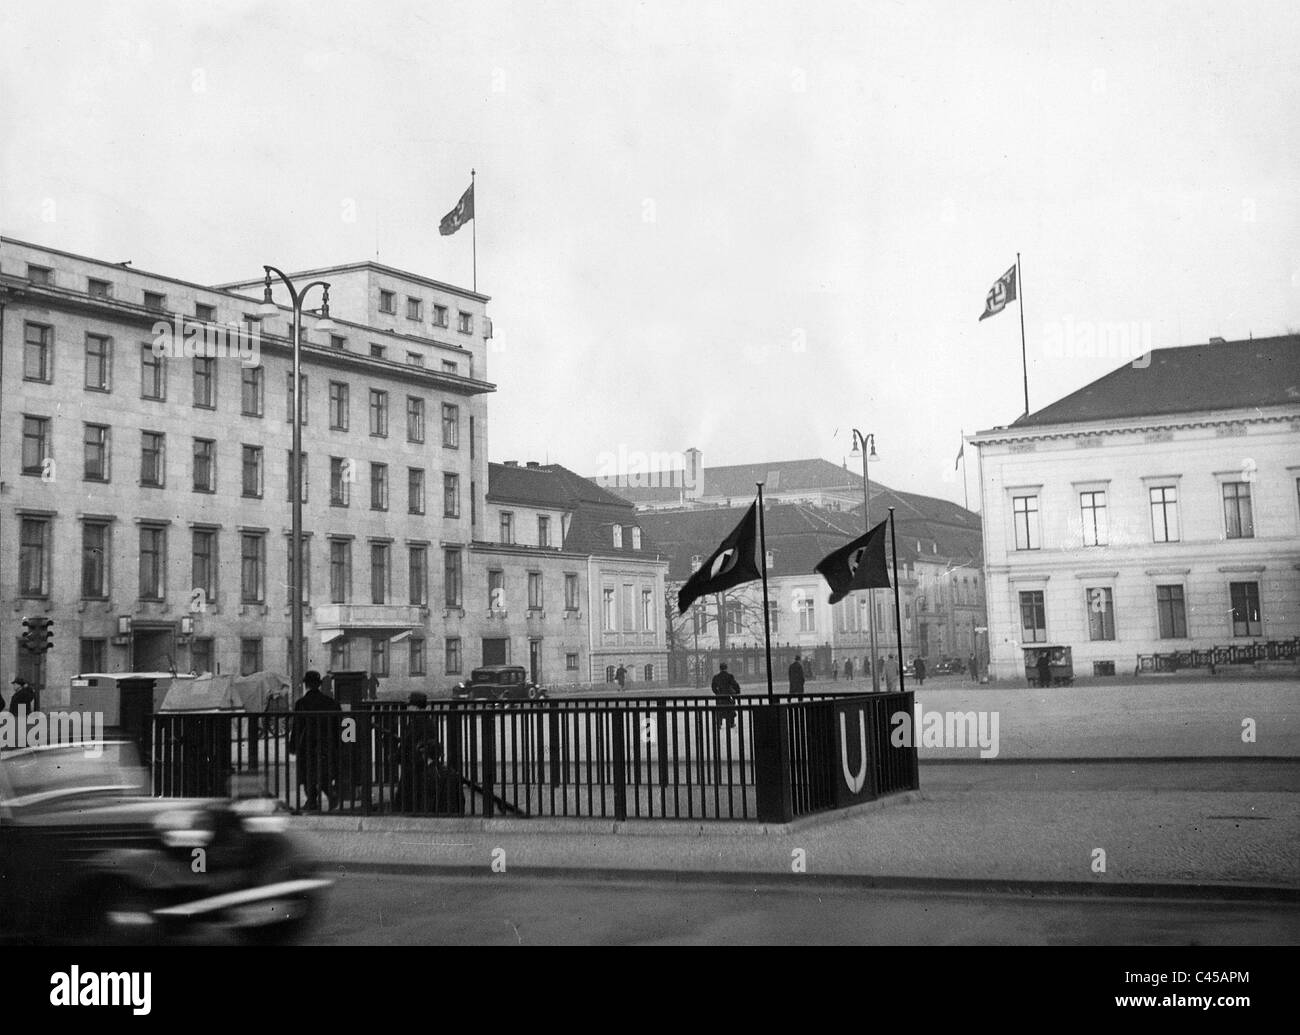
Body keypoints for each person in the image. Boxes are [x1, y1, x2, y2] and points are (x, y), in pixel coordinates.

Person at [289, 670, 342, 811]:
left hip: (307, 744)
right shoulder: (331, 702)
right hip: (327, 743)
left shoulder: (301, 703)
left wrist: (293, 745)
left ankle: (312, 801)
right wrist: (341, 744)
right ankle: (331, 796)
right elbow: (339, 725)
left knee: (307, 774)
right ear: (319, 684)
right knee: (324, 773)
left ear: (306, 684)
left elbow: (297, 726)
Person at [397, 691, 439, 811]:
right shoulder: (424, 721)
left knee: (407, 795)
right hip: (418, 762)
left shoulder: (417, 722)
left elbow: (409, 742)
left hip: (415, 764)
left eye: (409, 705)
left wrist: (399, 755)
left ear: (415, 707)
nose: (408, 708)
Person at [711, 662, 740, 733]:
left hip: (720, 697)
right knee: (730, 709)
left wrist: (717, 693)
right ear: (726, 668)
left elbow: (713, 687)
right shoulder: (730, 676)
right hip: (728, 696)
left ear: (720, 668)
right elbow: (735, 685)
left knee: (720, 710)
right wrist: (736, 692)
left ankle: (719, 723)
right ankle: (731, 723)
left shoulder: (716, 677)